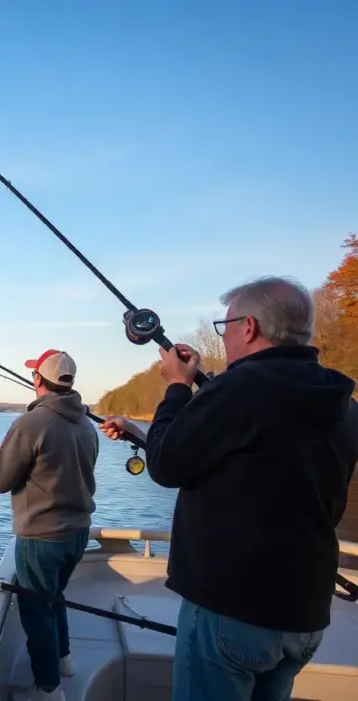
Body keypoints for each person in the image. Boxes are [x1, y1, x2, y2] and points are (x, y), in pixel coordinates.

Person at [100, 276, 358, 701]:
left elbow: (167, 465)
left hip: (233, 609)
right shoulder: (341, 402)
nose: (225, 335)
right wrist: (140, 430)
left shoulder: (237, 392)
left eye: (226, 325)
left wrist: (178, 386)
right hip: (304, 614)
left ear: (250, 327)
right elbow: (252, 450)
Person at [0, 349, 99, 701]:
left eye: (33, 373)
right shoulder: (86, 424)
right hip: (77, 534)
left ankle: (48, 690)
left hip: (41, 538)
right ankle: (65, 660)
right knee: (55, 598)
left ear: (38, 379)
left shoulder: (31, 423)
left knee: (37, 611)